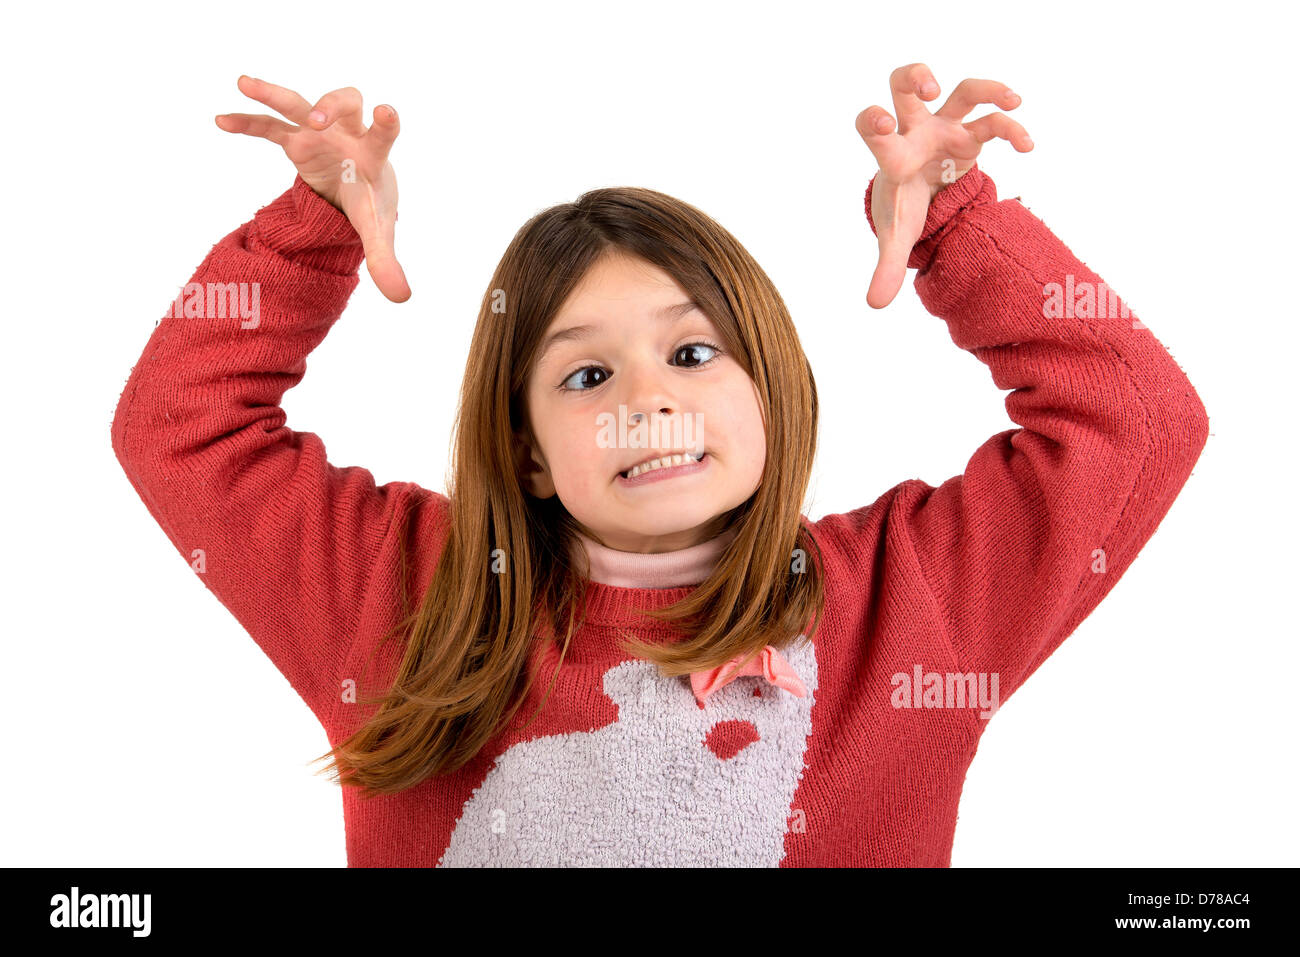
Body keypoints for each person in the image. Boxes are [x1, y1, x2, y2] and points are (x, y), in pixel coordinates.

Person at [110, 66, 1209, 866]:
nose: (648, 399)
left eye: (691, 351)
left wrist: (954, 226)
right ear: (528, 455)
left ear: (768, 394)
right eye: (584, 378)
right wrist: (316, 225)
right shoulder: (405, 595)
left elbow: (1135, 417)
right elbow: (179, 421)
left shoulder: (911, 602)